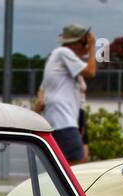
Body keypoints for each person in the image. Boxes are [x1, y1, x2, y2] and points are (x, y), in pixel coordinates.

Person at [41, 24, 98, 164]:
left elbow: (43, 87)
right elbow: (91, 71)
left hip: (64, 117)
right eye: (84, 42)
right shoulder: (63, 53)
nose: (86, 46)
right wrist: (92, 48)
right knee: (77, 160)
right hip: (63, 119)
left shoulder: (60, 56)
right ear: (75, 43)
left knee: (74, 160)